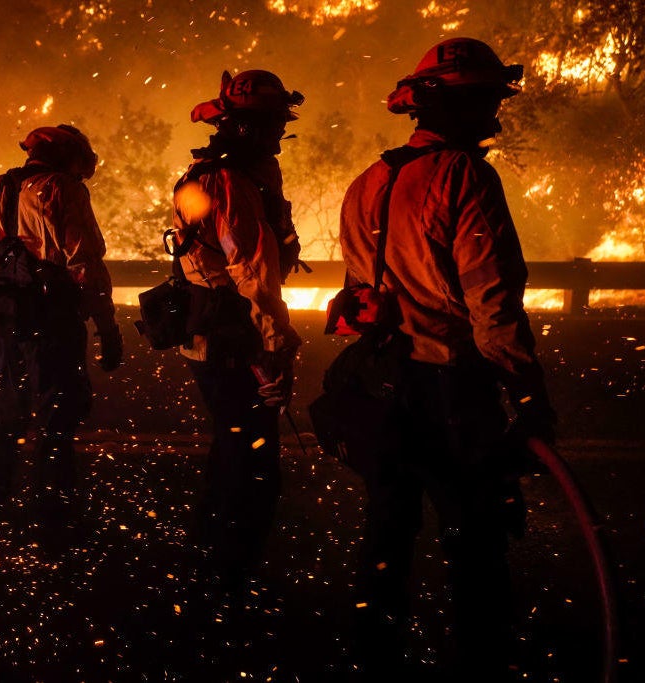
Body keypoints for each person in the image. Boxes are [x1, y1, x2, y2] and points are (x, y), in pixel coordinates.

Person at [336, 38, 556, 680]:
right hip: (450, 389)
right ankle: (481, 662)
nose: (495, 115)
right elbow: (491, 302)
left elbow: (360, 286)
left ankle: (372, 656)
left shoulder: (367, 181)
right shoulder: (464, 176)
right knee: (476, 536)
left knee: (387, 531)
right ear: (460, 104)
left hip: (382, 382)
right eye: (487, 101)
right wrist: (526, 390)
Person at [0, 124, 123, 527]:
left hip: (6, 324)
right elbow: (84, 263)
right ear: (69, 158)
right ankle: (53, 515)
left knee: (4, 416)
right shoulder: (61, 189)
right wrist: (108, 327)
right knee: (58, 418)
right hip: (54, 320)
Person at [168, 69, 304, 585]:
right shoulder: (228, 181)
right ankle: (228, 578)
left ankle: (208, 563)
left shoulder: (230, 173)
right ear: (245, 127)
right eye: (271, 124)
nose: (278, 136)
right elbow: (251, 270)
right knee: (254, 467)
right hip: (235, 342)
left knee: (231, 452)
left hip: (221, 338)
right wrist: (275, 346)